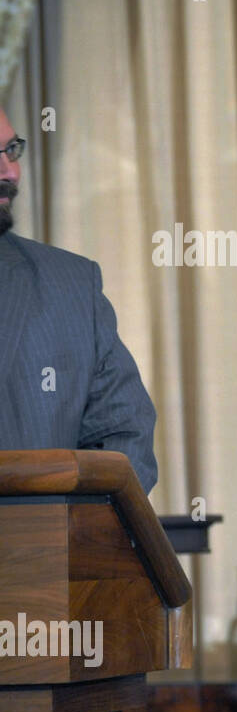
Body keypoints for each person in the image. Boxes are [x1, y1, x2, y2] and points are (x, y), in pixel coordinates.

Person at [0, 107, 156, 491]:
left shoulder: (70, 287)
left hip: (40, 548)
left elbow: (122, 442)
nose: (10, 172)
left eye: (10, 150)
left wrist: (66, 539)